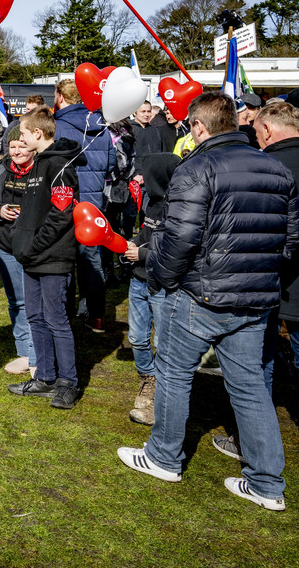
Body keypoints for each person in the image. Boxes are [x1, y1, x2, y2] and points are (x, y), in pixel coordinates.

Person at [117, 92, 299, 512]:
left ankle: (165, 457)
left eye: (190, 127)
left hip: (203, 294)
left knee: (175, 374)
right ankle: (267, 482)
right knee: (250, 386)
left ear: (199, 127)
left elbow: (179, 239)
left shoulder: (196, 166)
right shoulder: (276, 167)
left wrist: (161, 279)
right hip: (253, 298)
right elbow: (291, 239)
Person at [209, 102, 299, 473]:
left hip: (266, 275)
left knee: (260, 361)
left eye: (255, 130)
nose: (254, 135)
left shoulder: (266, 167)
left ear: (267, 130)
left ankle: (252, 441)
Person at [8, 108, 85, 410]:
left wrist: (34, 245)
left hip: (52, 255)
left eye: (24, 133)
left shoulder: (61, 165)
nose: (21, 138)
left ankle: (68, 382)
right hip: (32, 255)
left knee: (56, 319)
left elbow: (61, 215)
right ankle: (46, 377)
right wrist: (22, 240)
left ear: (37, 133)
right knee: (35, 316)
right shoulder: (37, 163)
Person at [119, 151, 180, 425]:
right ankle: (148, 377)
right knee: (137, 337)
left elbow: (174, 248)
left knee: (162, 340)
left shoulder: (179, 207)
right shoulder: (152, 203)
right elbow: (147, 233)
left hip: (161, 283)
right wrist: (131, 244)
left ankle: (160, 394)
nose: (143, 181)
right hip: (139, 279)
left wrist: (142, 255)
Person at [52, 78, 115, 331]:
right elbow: (112, 164)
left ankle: (65, 315)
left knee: (64, 260)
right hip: (94, 203)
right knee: (91, 260)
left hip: (65, 202)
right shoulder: (102, 127)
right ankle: (96, 314)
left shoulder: (56, 126)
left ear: (60, 96)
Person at [0, 127, 36, 376]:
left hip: (36, 246)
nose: (17, 151)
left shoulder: (42, 170)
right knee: (17, 301)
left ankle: (38, 355)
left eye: (22, 145)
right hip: (6, 245)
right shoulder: (0, 171)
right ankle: (25, 352)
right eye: (12, 146)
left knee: (37, 301)